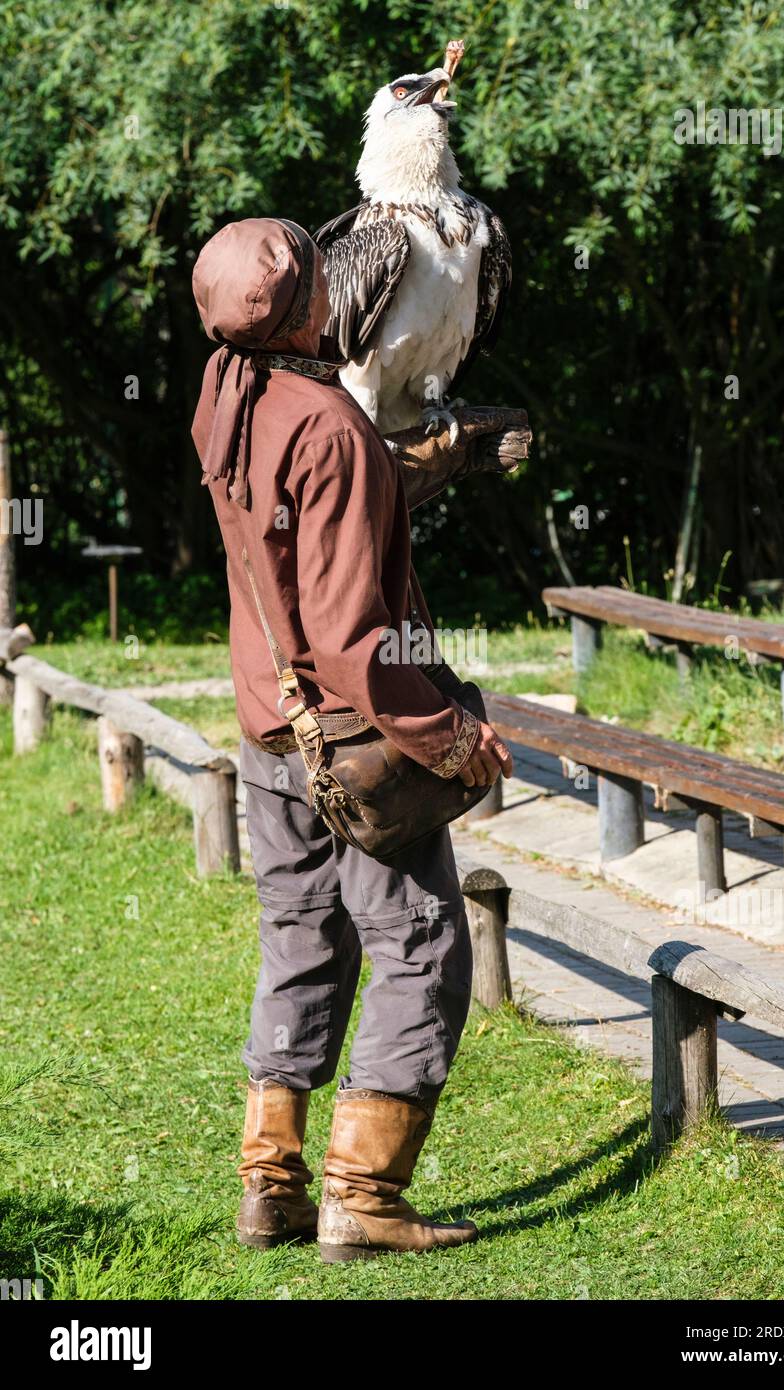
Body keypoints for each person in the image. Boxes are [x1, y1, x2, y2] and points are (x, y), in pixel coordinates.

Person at [190, 217, 513, 1261]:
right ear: (301, 306)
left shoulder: (222, 392)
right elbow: (353, 643)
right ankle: (363, 1195)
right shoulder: (328, 424)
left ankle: (268, 1184)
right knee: (419, 948)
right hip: (352, 740)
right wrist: (453, 736)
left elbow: (301, 516)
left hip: (266, 728)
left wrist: (432, 460)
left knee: (297, 941)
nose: (339, 284)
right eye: (320, 274)